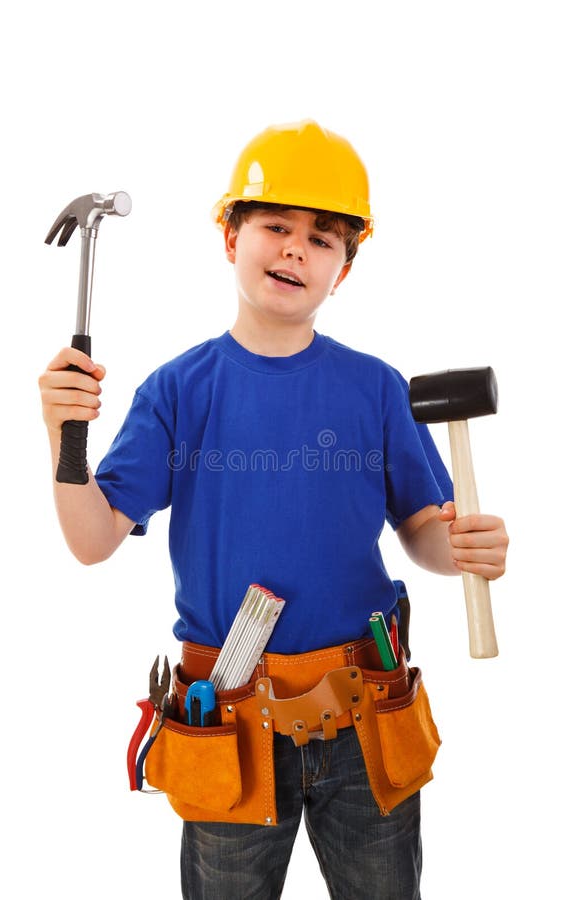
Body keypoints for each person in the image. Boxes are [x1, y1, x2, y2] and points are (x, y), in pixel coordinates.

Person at [39, 119, 509, 900]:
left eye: (323, 238)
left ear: (343, 272)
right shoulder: (178, 392)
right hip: (225, 721)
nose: (296, 248)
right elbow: (91, 540)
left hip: (366, 716)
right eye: (276, 225)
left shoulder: (377, 388)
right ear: (231, 238)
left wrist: (458, 548)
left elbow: (423, 528)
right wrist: (65, 437)